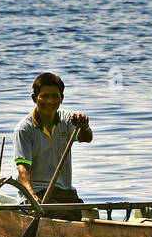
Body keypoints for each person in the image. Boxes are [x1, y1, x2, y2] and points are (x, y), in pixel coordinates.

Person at [13, 72, 93, 217]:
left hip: (65, 194)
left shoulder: (67, 121)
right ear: (34, 98)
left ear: (61, 98)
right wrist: (32, 197)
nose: (50, 101)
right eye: (44, 96)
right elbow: (23, 169)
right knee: (64, 216)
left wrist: (84, 126)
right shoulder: (24, 128)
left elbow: (86, 138)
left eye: (55, 96)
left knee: (83, 213)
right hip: (38, 193)